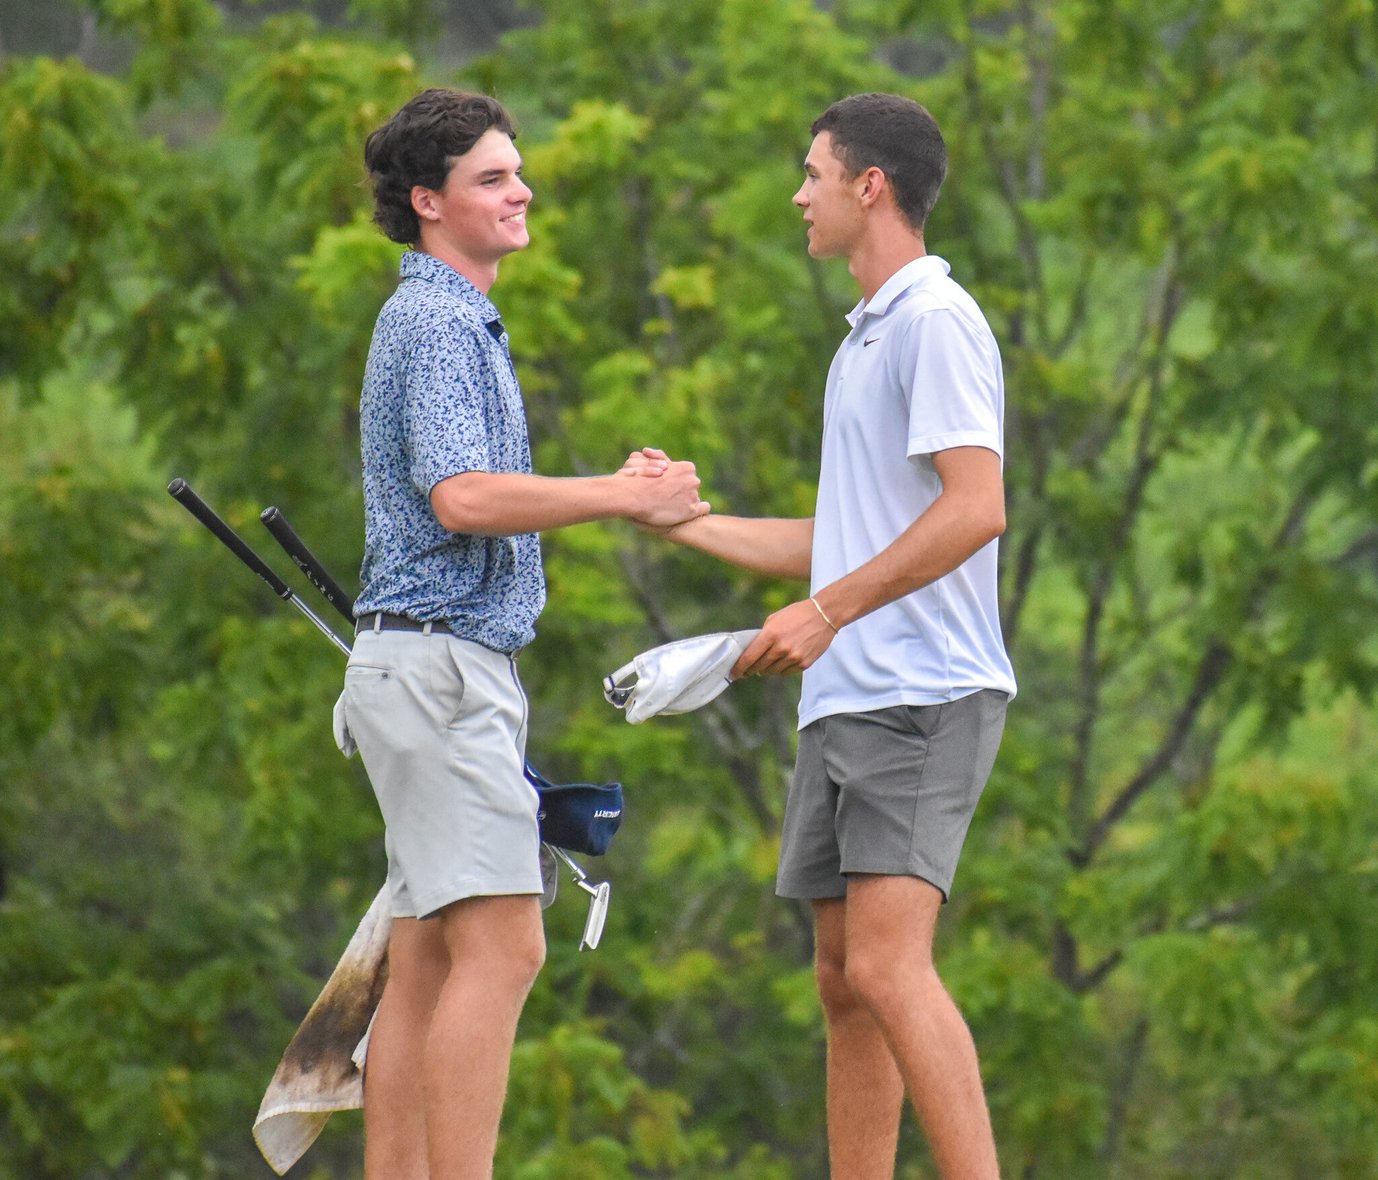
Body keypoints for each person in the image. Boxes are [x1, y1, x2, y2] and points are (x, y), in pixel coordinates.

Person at [633, 93, 1016, 1178]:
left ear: (869, 187)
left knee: (892, 969)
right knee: (843, 978)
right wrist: (686, 519)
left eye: (811, 172)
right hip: (847, 694)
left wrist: (828, 609)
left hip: (923, 691)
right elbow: (842, 536)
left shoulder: (935, 320)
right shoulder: (862, 339)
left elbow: (974, 505)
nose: (797, 193)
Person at [339, 88, 709, 1180]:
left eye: (516, 171)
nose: (521, 190)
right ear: (428, 201)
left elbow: (470, 490)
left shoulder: (444, 315)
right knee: (505, 945)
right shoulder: (441, 319)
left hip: (424, 665)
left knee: (423, 957)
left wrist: (613, 489)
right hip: (444, 669)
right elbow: (461, 497)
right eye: (492, 178)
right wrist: (618, 495)